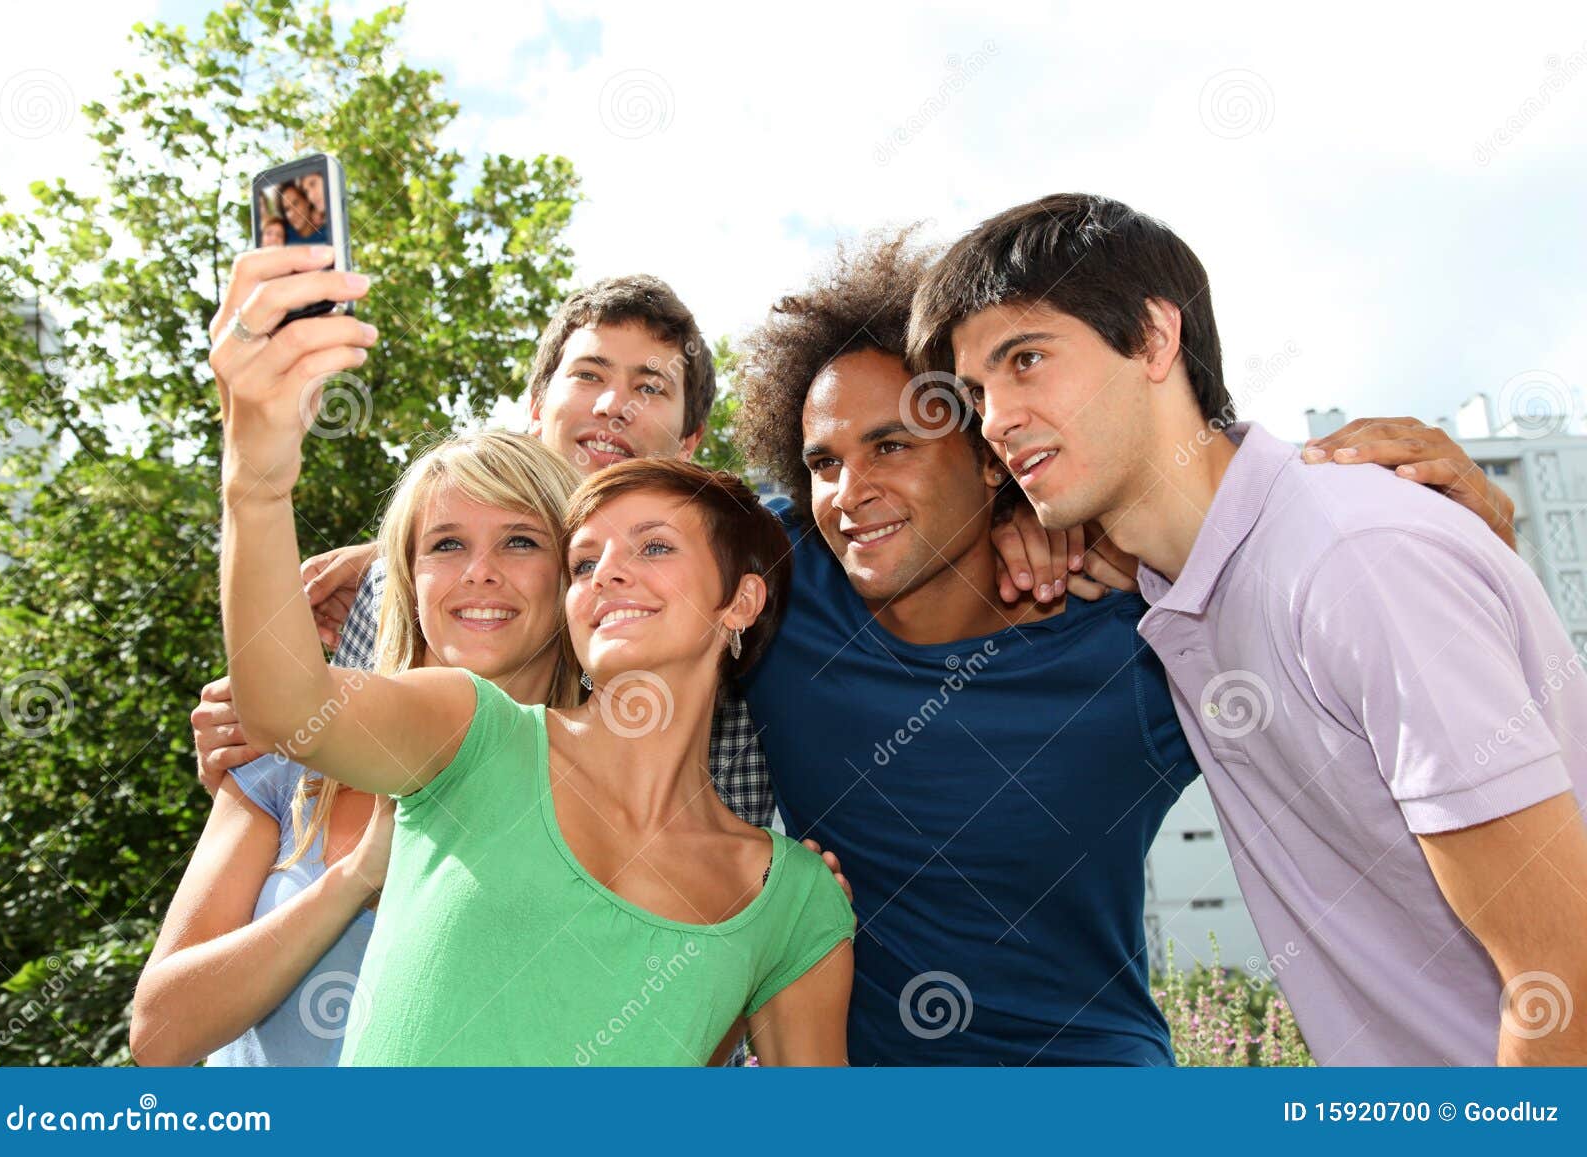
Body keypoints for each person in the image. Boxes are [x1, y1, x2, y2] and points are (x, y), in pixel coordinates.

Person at [730, 229, 1516, 1065]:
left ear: (993, 460)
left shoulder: (1138, 630)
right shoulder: (777, 587)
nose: (850, 492)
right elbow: (612, 554)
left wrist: (1451, 519)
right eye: (822, 461)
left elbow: (1299, 582)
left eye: (892, 445)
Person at [910, 192, 1587, 1065]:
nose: (995, 418)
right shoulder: (1179, 578)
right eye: (975, 392)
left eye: (1027, 359)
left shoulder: (1352, 557)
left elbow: (1563, 972)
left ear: (1156, 337)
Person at [209, 246, 853, 1064]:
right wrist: (258, 482)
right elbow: (291, 710)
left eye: (653, 545)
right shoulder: (469, 726)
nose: (610, 570)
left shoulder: (788, 898)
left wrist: (1035, 522)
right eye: (581, 561)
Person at [132, 426, 582, 1066]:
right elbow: (158, 1035)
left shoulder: (602, 799)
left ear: (572, 575)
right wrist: (353, 879)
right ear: (407, 576)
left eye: (520, 541)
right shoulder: (288, 764)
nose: (481, 572)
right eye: (447, 544)